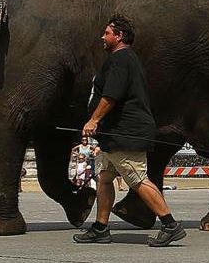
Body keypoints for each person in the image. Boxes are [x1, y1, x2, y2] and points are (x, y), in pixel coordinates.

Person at [74, 15, 185, 247]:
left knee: (137, 179)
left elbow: (111, 96)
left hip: (126, 132)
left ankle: (170, 225)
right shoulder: (123, 60)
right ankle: (100, 228)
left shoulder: (121, 59)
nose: (102, 37)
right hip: (113, 134)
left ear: (119, 36)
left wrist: (93, 120)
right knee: (104, 178)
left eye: (107, 33)